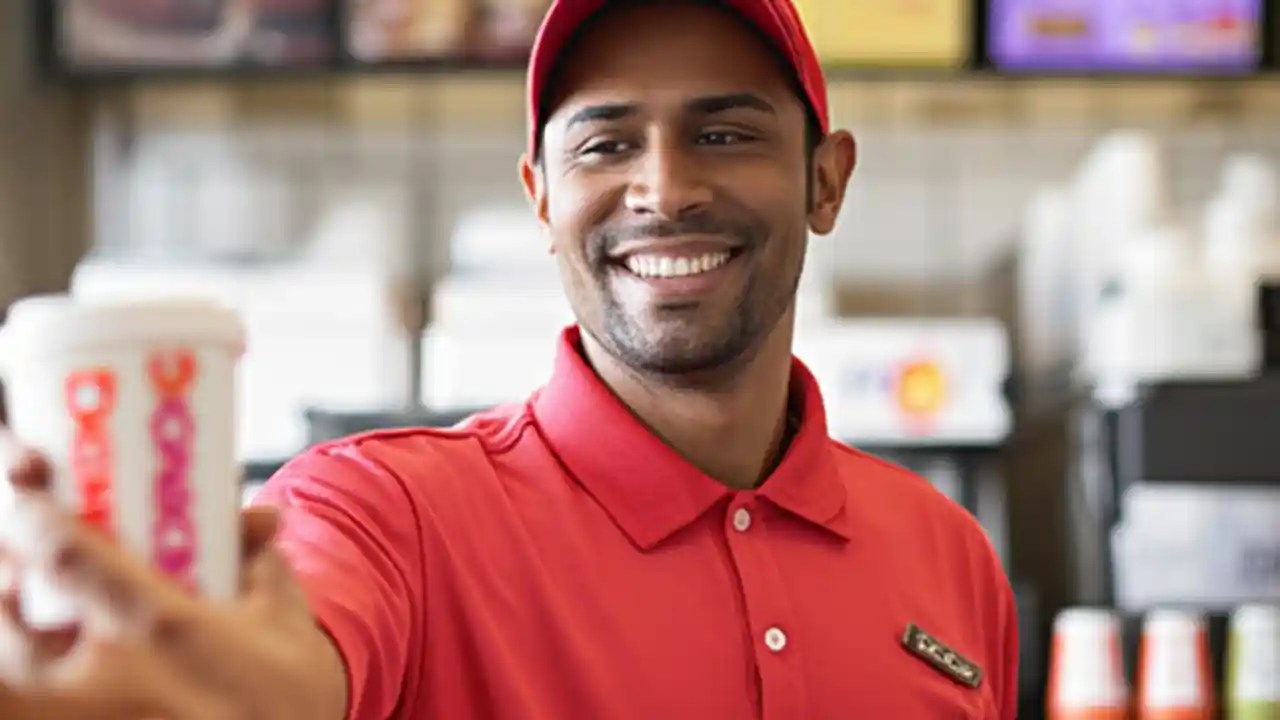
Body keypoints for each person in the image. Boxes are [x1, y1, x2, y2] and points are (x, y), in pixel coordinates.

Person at [0, 0, 1020, 717]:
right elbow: (290, 656)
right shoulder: (386, 512)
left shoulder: (950, 557)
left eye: (721, 132)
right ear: (539, 195)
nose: (662, 189)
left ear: (824, 181)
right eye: (605, 145)